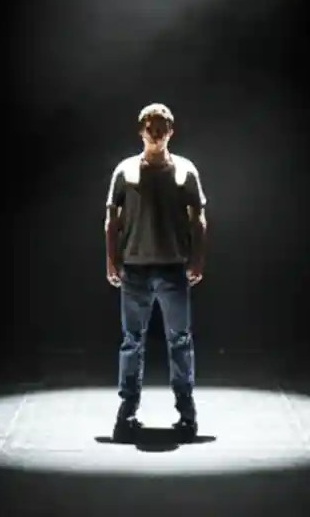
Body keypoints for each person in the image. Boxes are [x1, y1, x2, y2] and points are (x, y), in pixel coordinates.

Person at [105, 103, 207, 443]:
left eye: (162, 125)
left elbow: (198, 218)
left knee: (180, 340)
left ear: (171, 130)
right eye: (150, 125)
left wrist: (197, 258)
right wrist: (111, 259)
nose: (156, 131)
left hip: (173, 267)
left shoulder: (185, 170)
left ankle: (187, 413)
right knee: (132, 342)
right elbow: (112, 220)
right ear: (140, 130)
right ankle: (127, 412)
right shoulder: (126, 170)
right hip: (134, 268)